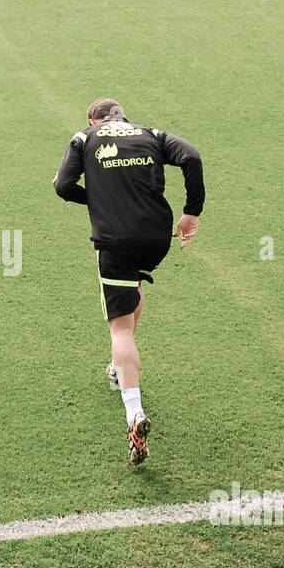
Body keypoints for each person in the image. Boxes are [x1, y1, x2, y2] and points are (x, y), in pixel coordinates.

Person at [53, 98, 204, 467]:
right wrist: (191, 213)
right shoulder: (151, 134)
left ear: (93, 120)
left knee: (120, 329)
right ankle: (116, 367)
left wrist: (98, 199)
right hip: (156, 238)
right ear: (123, 117)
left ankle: (134, 412)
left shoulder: (84, 138)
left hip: (117, 241)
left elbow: (63, 185)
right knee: (134, 285)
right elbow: (191, 156)